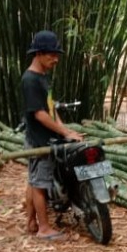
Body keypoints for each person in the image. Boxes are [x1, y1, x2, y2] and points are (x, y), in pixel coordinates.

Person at [21, 30, 83, 240]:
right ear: (38, 53)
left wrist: (66, 130)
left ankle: (31, 222)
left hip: (44, 137)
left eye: (57, 55)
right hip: (40, 141)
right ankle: (44, 228)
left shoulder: (42, 77)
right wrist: (64, 131)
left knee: (33, 181)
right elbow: (40, 114)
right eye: (51, 54)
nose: (56, 59)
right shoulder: (30, 80)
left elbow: (50, 107)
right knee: (40, 184)